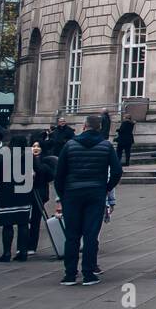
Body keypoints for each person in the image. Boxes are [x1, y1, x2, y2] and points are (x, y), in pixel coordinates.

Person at [53, 114, 122, 286]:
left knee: (72, 235)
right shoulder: (106, 146)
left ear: (84, 126)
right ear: (100, 128)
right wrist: (106, 188)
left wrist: (63, 194)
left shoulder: (70, 145)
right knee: (91, 235)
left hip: (72, 193)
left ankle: (69, 274)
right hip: (95, 193)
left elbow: (59, 174)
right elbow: (117, 171)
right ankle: (89, 273)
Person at [0, 134, 35, 262]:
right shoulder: (29, 156)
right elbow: (38, 171)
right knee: (23, 224)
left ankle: (6, 253)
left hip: (6, 193)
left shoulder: (4, 156)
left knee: (8, 224)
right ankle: (23, 252)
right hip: (24, 192)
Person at [25, 138, 58, 257]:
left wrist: (38, 167)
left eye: (38, 146)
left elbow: (50, 176)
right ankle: (23, 245)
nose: (36, 148)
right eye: (33, 146)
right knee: (24, 220)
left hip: (40, 193)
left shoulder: (46, 161)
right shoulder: (25, 160)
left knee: (35, 221)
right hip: (26, 193)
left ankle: (31, 246)